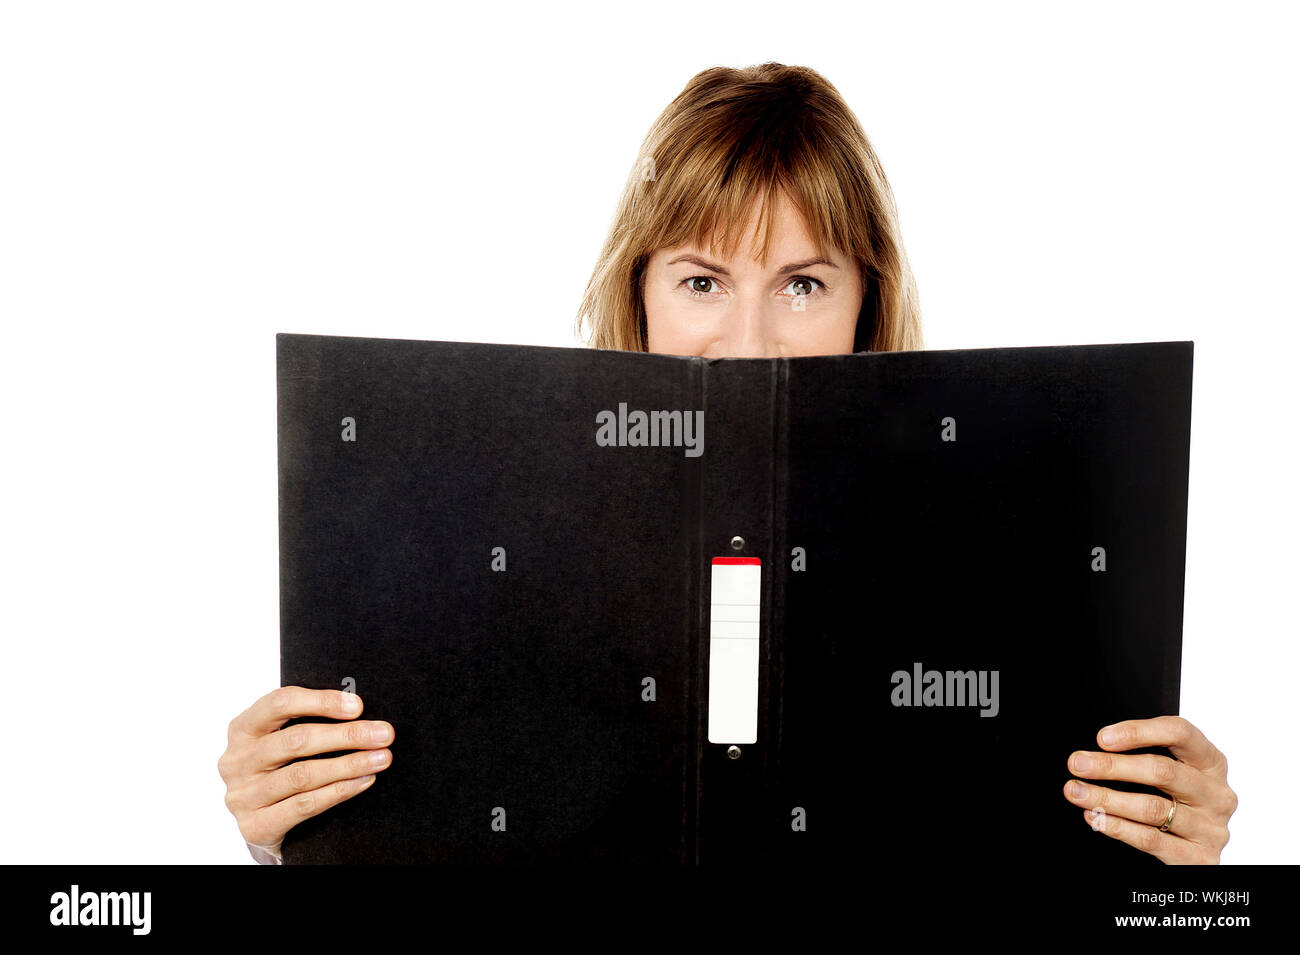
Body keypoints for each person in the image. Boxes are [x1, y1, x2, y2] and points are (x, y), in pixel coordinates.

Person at [220, 62, 1236, 865]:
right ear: (641, 291)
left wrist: (1169, 879)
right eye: (703, 277)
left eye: (801, 285)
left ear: (865, 305)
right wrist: (295, 835)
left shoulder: (1002, 549)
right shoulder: (489, 539)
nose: (748, 341)